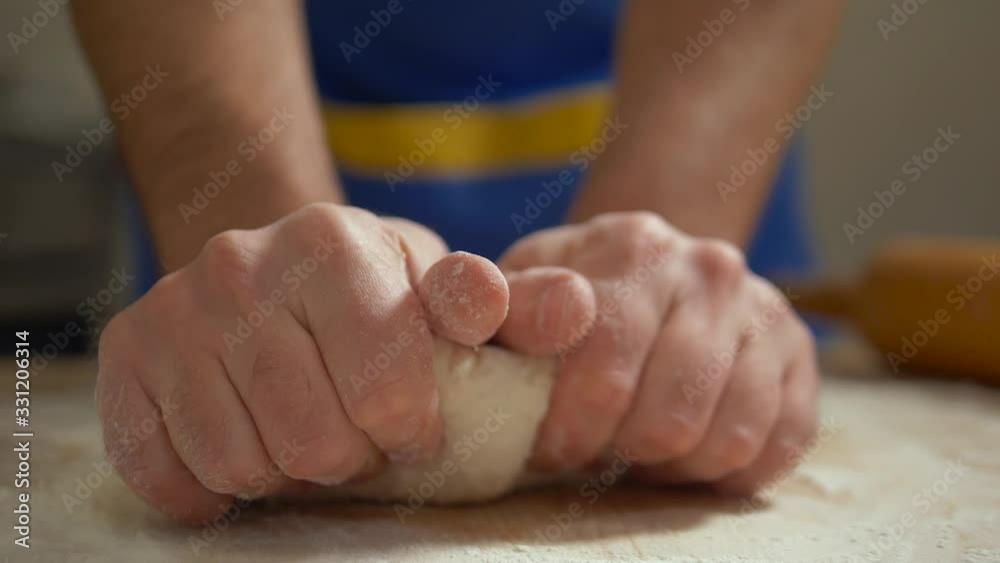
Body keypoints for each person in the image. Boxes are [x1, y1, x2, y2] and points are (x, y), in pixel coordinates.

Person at [74, 0, 844, 521]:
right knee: (270, 382)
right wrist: (270, 281)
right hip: (245, 230)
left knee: (682, 375)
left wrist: (654, 312)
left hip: (691, 212)